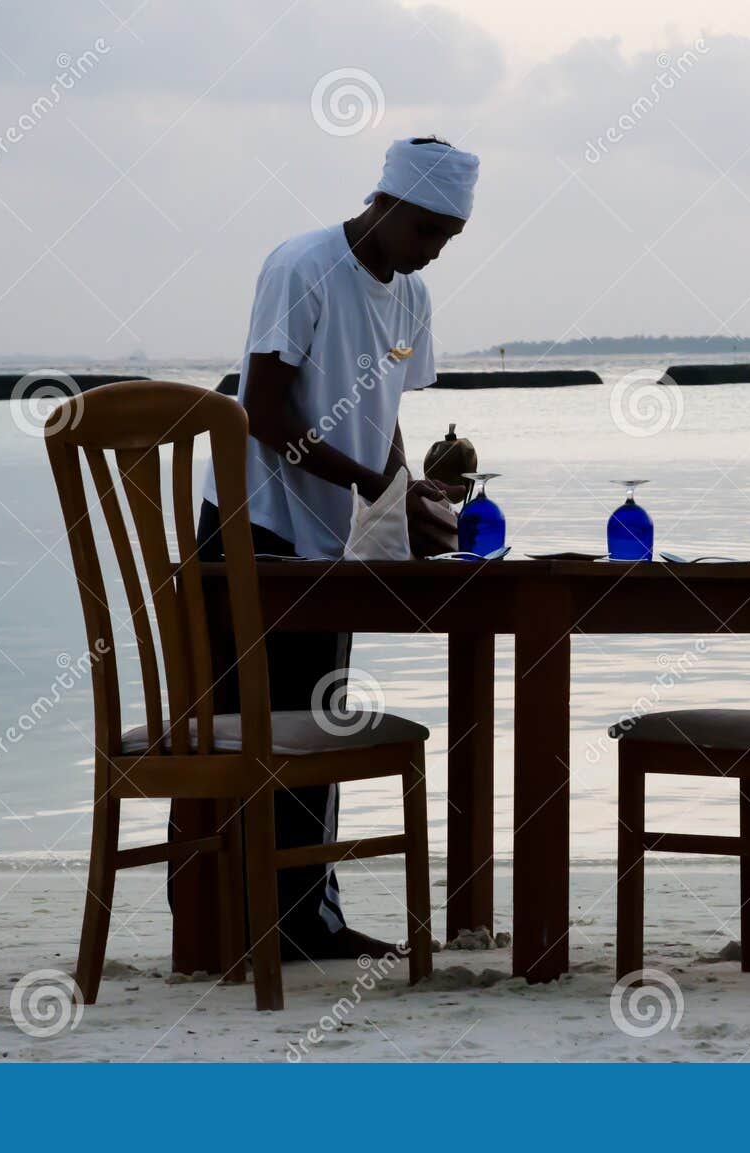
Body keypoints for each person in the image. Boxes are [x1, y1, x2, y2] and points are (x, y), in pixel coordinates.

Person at [182, 136, 479, 962]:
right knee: (248, 731)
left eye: (449, 238)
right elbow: (262, 413)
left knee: (317, 720)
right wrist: (369, 488)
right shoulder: (303, 265)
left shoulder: (410, 297)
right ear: (384, 202)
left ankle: (307, 921)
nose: (432, 252)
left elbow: (382, 418)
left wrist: (404, 492)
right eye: (425, 230)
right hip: (254, 531)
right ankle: (219, 924)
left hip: (330, 543)